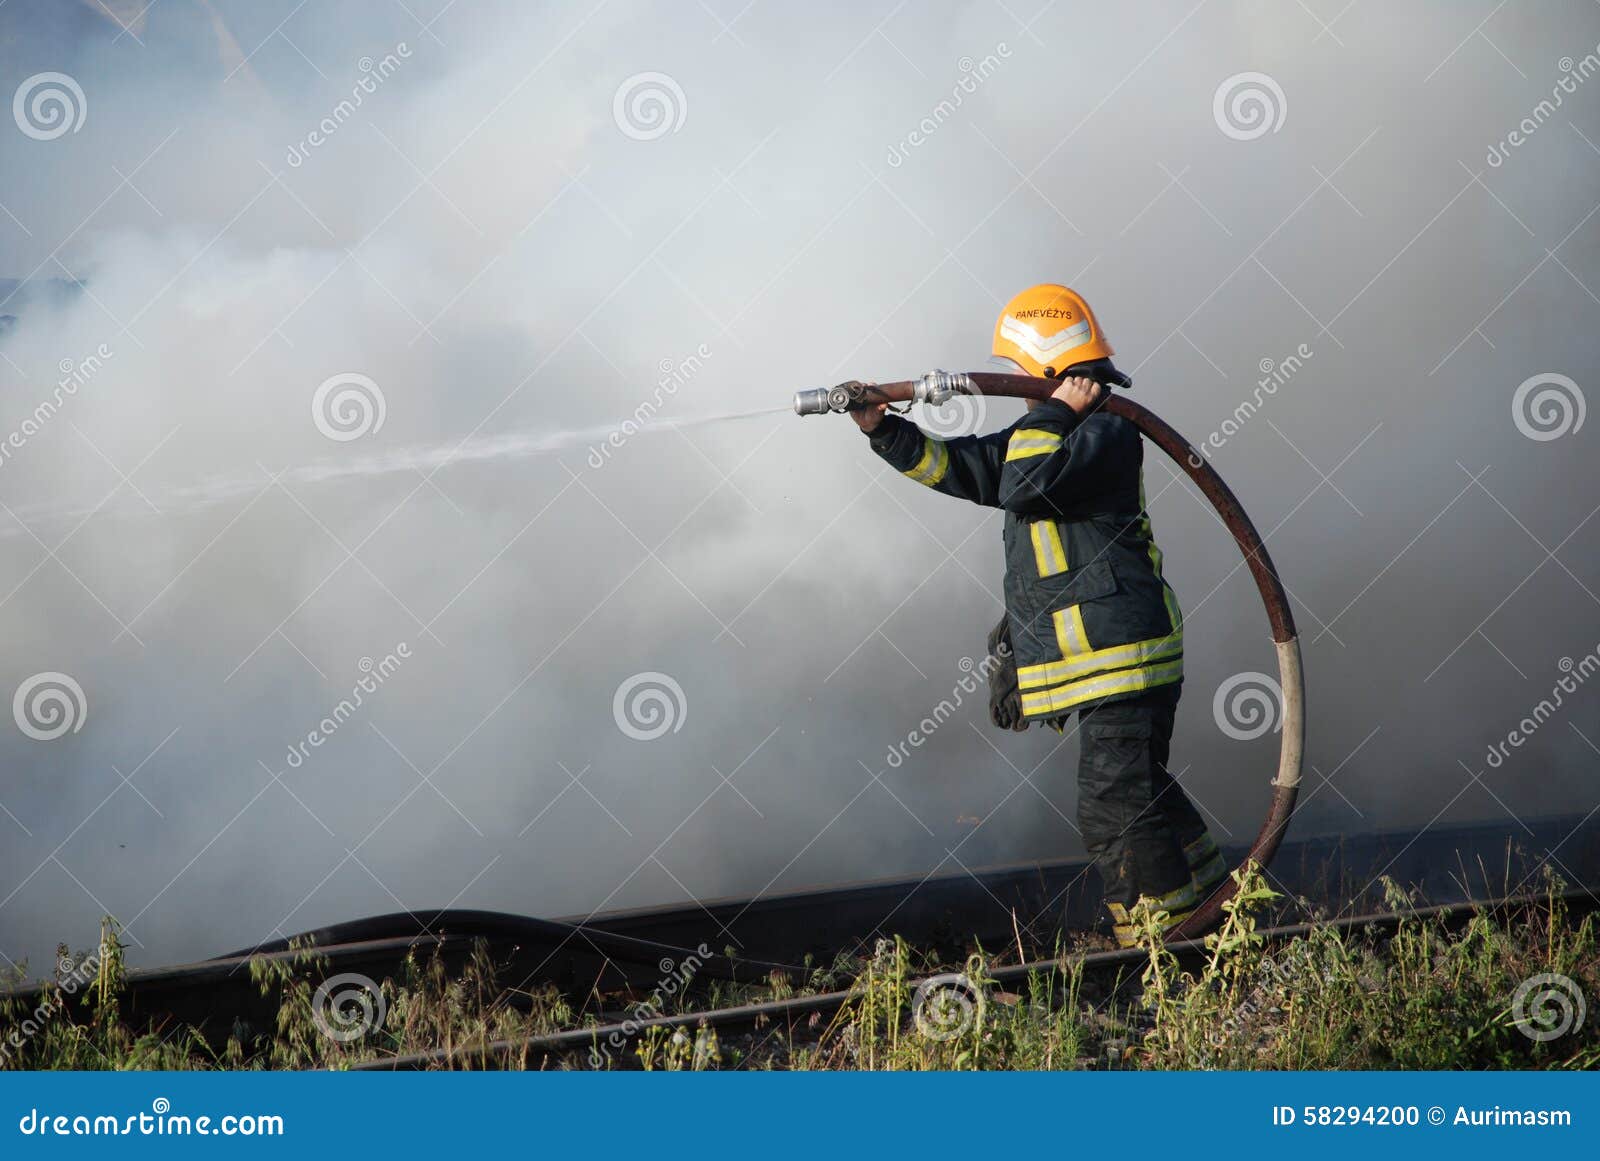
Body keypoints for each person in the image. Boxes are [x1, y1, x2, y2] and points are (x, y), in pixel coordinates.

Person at [846, 284, 1225, 945]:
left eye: (1021, 369)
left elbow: (1025, 481)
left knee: (1115, 811)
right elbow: (966, 468)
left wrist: (1051, 416)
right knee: (1142, 792)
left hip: (1125, 659)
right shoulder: (1041, 437)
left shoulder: (1106, 432)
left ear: (1055, 368)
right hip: (1110, 660)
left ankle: (1168, 954)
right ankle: (1219, 914)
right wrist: (886, 428)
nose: (1013, 382)